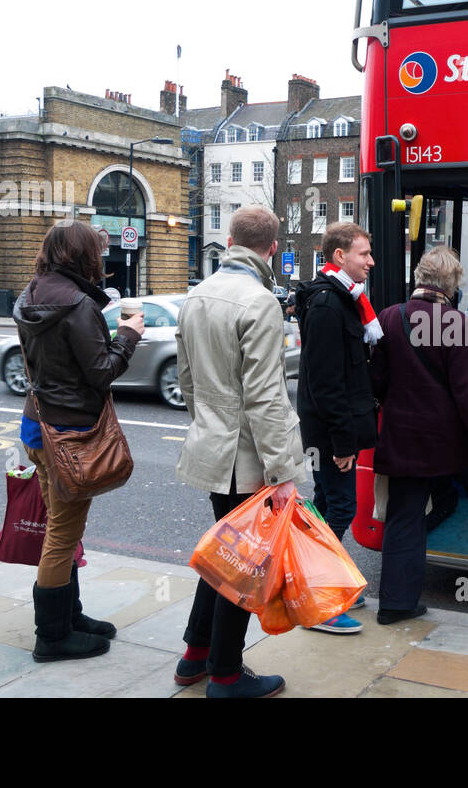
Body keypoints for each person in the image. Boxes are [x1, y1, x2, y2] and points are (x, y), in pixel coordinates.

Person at [173, 206, 299, 698]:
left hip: (211, 448)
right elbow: (267, 396)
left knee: (223, 558)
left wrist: (207, 428)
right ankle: (225, 675)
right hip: (246, 461)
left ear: (229, 240)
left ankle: (194, 656)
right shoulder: (261, 302)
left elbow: (187, 382)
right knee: (243, 568)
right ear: (272, 249)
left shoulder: (197, 295)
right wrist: (283, 470)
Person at [13, 219, 143, 663]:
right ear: (82, 254)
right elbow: (102, 371)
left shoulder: (30, 294)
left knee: (63, 531)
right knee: (62, 535)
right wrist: (129, 335)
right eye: (96, 249)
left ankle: (71, 616)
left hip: (37, 426)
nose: (101, 257)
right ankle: (51, 637)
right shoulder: (78, 306)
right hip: (71, 435)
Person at [370, 247, 468, 624]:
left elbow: (378, 381)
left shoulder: (390, 316)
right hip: (451, 435)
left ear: (420, 276)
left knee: (404, 516)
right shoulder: (453, 323)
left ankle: (395, 604)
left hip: (403, 435)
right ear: (452, 283)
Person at [292, 222, 380, 634]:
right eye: (364, 254)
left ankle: (320, 585)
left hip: (330, 429)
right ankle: (320, 602)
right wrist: (343, 443)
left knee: (327, 504)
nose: (371, 261)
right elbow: (327, 384)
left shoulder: (342, 298)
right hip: (330, 433)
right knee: (340, 508)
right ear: (340, 256)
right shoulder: (330, 305)